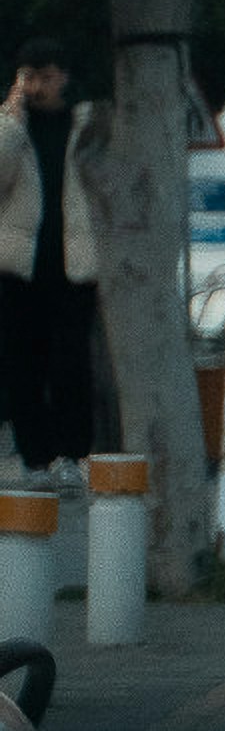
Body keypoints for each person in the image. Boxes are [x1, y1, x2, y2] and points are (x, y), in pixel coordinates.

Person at [0, 42, 109, 481]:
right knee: (20, 364)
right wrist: (10, 120)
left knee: (70, 364)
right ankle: (35, 458)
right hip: (19, 266)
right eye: (29, 76)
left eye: (45, 75)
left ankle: (71, 454)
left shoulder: (86, 122)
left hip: (74, 263)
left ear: (63, 76)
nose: (37, 85)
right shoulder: (11, 125)